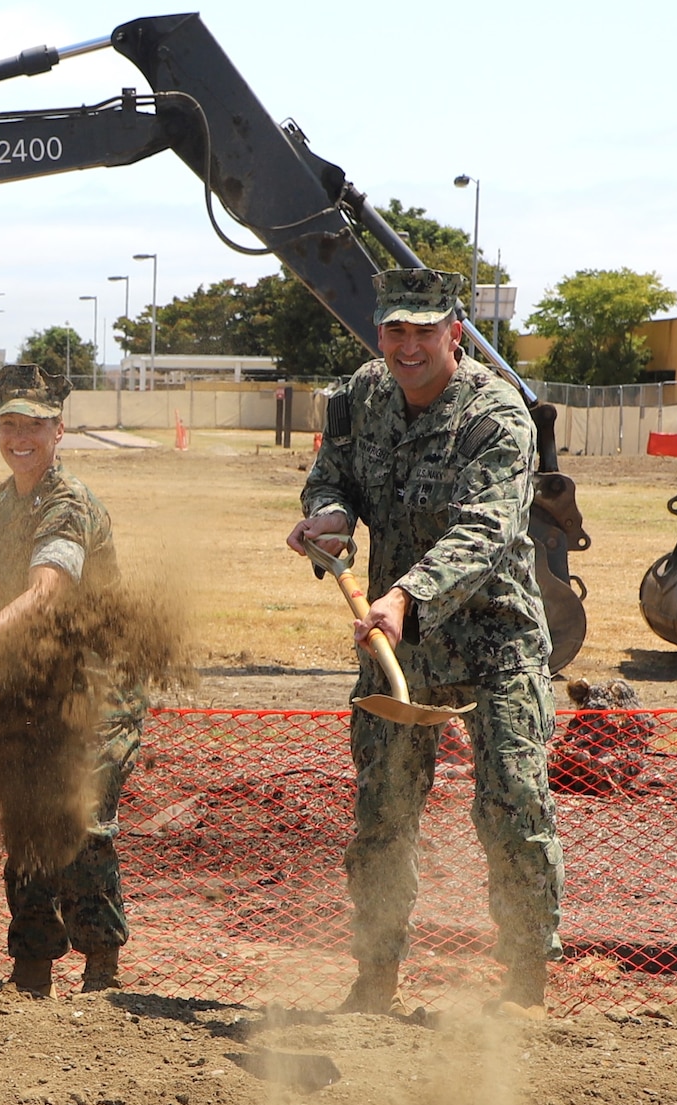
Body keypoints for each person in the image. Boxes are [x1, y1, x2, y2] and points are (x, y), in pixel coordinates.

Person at [286, 268, 564, 1020]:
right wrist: (330, 520)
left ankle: (524, 988)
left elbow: (487, 529)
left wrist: (408, 595)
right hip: (397, 653)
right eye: (394, 329)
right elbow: (329, 478)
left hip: (493, 645)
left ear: (456, 333)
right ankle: (373, 981)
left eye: (424, 329)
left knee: (512, 804)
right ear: (380, 331)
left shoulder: (496, 416)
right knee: (382, 815)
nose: (408, 345)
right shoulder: (361, 396)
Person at [0, 363, 146, 998]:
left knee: (79, 824)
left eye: (34, 424)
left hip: (93, 687)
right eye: (8, 424)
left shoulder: (68, 504)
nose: (19, 436)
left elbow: (47, 591)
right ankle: (31, 970)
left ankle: (102, 971)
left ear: (59, 429)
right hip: (24, 687)